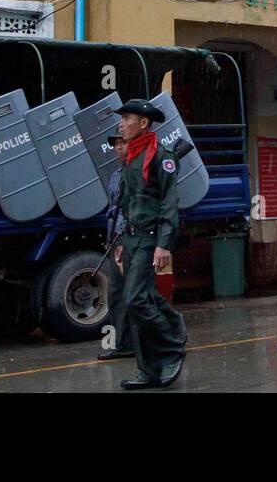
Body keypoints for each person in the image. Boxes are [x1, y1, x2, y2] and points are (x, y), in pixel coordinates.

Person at [113, 99, 188, 389]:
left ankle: (171, 348)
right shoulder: (132, 156)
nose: (122, 124)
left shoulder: (161, 156)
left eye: (127, 118)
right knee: (138, 303)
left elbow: (170, 202)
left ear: (143, 123)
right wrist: (120, 238)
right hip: (131, 238)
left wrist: (164, 244)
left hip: (150, 238)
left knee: (135, 298)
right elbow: (128, 201)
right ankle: (147, 370)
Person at [97, 133, 134, 361]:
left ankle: (170, 336)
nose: (118, 148)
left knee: (138, 295)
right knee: (117, 294)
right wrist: (111, 240)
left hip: (131, 240)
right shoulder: (116, 175)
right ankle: (123, 343)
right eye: (116, 145)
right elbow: (114, 210)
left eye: (123, 144)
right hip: (116, 240)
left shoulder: (137, 174)